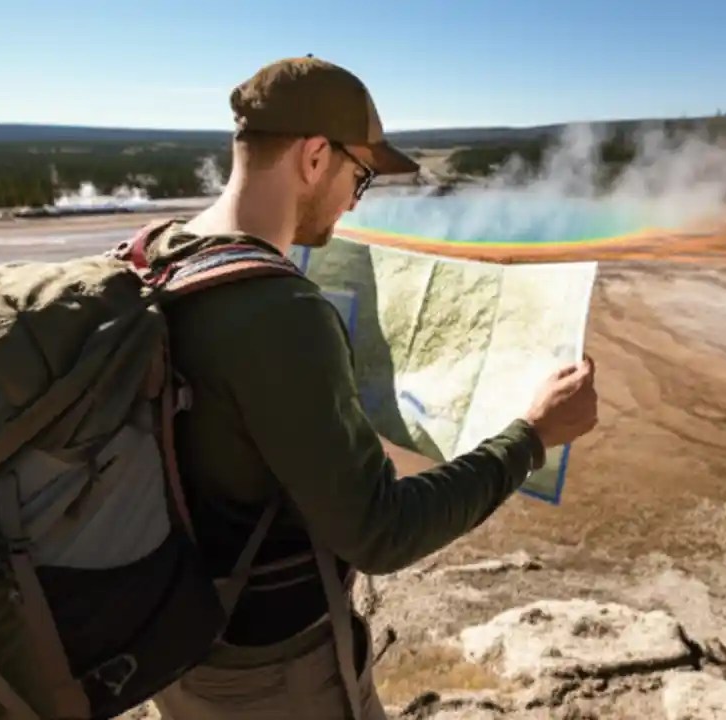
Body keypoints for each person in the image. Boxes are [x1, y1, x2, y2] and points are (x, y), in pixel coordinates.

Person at [143, 55, 599, 719]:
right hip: (274, 674)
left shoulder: (155, 252)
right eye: (360, 178)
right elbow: (381, 533)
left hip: (177, 649)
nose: (356, 201)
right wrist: (532, 436)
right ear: (315, 157)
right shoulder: (278, 312)